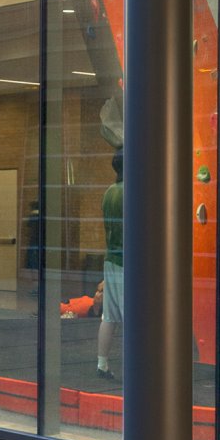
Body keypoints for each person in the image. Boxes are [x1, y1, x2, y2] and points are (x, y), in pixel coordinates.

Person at [95, 150, 124, 379]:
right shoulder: (130, 192)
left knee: (109, 316)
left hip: (110, 259)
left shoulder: (109, 192)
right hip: (128, 261)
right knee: (134, 317)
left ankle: (102, 364)